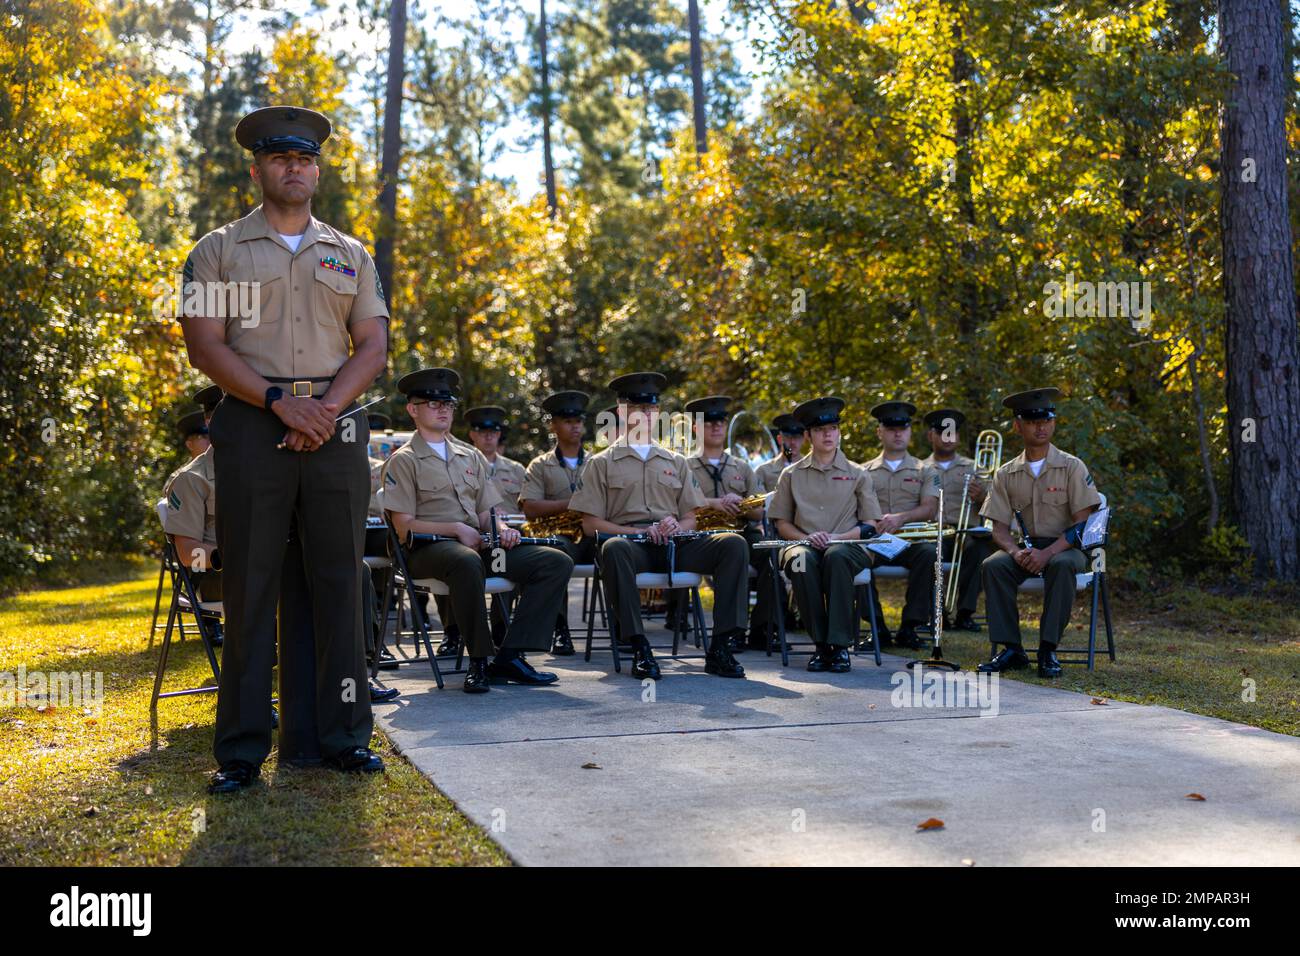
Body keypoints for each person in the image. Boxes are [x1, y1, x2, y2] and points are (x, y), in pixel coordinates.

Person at [179, 105, 388, 792]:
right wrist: (278, 402)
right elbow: (205, 344)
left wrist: (323, 410)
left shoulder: (349, 253)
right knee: (250, 583)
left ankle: (340, 738)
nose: (292, 168)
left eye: (303, 159)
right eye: (279, 159)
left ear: (317, 171)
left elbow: (374, 345)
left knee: (338, 582)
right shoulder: (218, 250)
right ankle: (240, 752)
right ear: (258, 169)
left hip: (335, 426)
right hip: (249, 422)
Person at [382, 367, 574, 692]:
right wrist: (456, 528)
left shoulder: (470, 456)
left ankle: (509, 656)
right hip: (427, 551)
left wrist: (501, 529)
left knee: (554, 561)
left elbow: (486, 513)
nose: (442, 408)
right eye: (432, 402)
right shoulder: (404, 460)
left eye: (448, 403)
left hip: (477, 548)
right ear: (412, 410)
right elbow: (403, 526)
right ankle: (478, 659)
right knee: (464, 561)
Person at [569, 372, 749, 681]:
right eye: (638, 409)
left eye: (651, 410)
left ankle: (721, 647)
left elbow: (691, 517)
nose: (646, 416)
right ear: (622, 412)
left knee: (732, 543)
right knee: (612, 548)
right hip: (632, 544)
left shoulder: (676, 461)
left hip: (674, 544)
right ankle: (639, 646)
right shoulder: (601, 463)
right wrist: (637, 533)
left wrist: (676, 525)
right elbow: (589, 525)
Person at [977, 388, 1102, 678]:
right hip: (1025, 549)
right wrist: (1015, 552)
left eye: (1046, 420)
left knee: (1061, 565)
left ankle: (1048, 649)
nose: (1041, 426)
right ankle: (1011, 649)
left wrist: (1047, 553)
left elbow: (1083, 523)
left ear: (1054, 423)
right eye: (1032, 421)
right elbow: (998, 527)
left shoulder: (1071, 467)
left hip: (1065, 547)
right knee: (993, 565)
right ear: (1018, 426)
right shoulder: (1006, 473)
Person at [768, 397, 883, 672]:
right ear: (808, 435)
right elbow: (781, 523)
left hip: (848, 545)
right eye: (820, 430)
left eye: (832, 428)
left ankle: (840, 647)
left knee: (837, 556)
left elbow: (871, 525)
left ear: (839, 432)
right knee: (800, 560)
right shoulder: (790, 474)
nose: (828, 434)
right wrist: (805, 539)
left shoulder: (858, 473)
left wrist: (838, 537)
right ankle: (821, 646)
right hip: (802, 544)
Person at [682, 395, 769, 650]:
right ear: (696, 428)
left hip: (741, 530)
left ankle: (761, 629)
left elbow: (759, 512)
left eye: (721, 421)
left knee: (771, 555)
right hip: (700, 535)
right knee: (733, 553)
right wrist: (713, 503)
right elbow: (674, 508)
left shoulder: (742, 466)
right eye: (709, 422)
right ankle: (732, 631)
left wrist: (740, 504)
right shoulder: (683, 466)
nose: (717, 426)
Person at [859, 401, 940, 648]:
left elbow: (930, 507)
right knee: (853, 557)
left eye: (902, 428)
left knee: (928, 553)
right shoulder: (863, 471)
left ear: (909, 432)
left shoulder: (927, 470)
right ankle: (877, 628)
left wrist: (900, 518)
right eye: (891, 428)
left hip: (911, 541)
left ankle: (910, 627)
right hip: (876, 540)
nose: (897, 433)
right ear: (879, 432)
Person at [519, 390, 595, 656]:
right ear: (554, 425)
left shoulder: (598, 463)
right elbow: (530, 508)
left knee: (619, 549)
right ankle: (560, 629)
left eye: (578, 420)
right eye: (567, 420)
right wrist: (572, 503)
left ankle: (625, 630)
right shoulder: (539, 465)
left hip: (594, 532)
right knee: (556, 555)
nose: (575, 425)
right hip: (562, 536)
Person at [920, 407, 991, 631]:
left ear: (958, 436)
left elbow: (994, 507)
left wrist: (981, 497)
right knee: (927, 551)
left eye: (952, 433)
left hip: (966, 531)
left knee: (981, 548)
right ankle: (935, 613)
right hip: (933, 530)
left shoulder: (976, 467)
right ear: (930, 435)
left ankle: (965, 613)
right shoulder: (919, 468)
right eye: (942, 432)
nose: (948, 438)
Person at [465, 406, 527, 513]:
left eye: (493, 432)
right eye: (483, 432)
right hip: (476, 527)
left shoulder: (516, 469)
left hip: (513, 527)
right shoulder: (462, 465)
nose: (488, 437)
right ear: (472, 435)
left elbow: (528, 506)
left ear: (498, 434)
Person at [755, 413, 807, 494]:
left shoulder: (812, 467)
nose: (793, 442)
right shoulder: (763, 471)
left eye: (797, 437)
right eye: (788, 437)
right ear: (779, 439)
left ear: (804, 439)